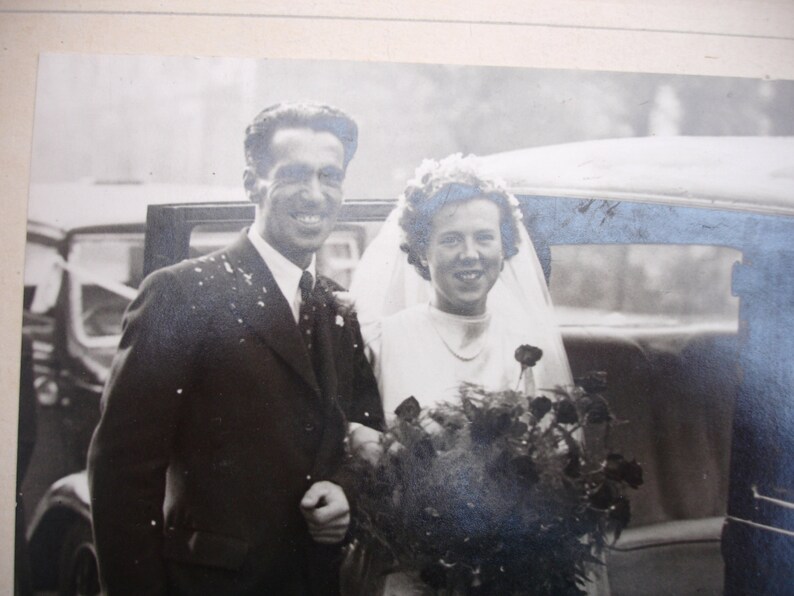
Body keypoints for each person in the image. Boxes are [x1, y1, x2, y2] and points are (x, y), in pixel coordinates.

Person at [88, 102, 385, 596]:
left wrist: (345, 490)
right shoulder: (180, 294)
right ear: (253, 183)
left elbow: (367, 429)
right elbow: (122, 473)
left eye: (330, 176)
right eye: (294, 175)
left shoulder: (336, 305)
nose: (315, 194)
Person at [346, 155, 607, 595]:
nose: (470, 254)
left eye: (484, 237)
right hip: (412, 572)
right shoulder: (381, 341)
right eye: (450, 239)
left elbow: (558, 477)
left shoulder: (530, 345)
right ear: (421, 250)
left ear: (504, 247)